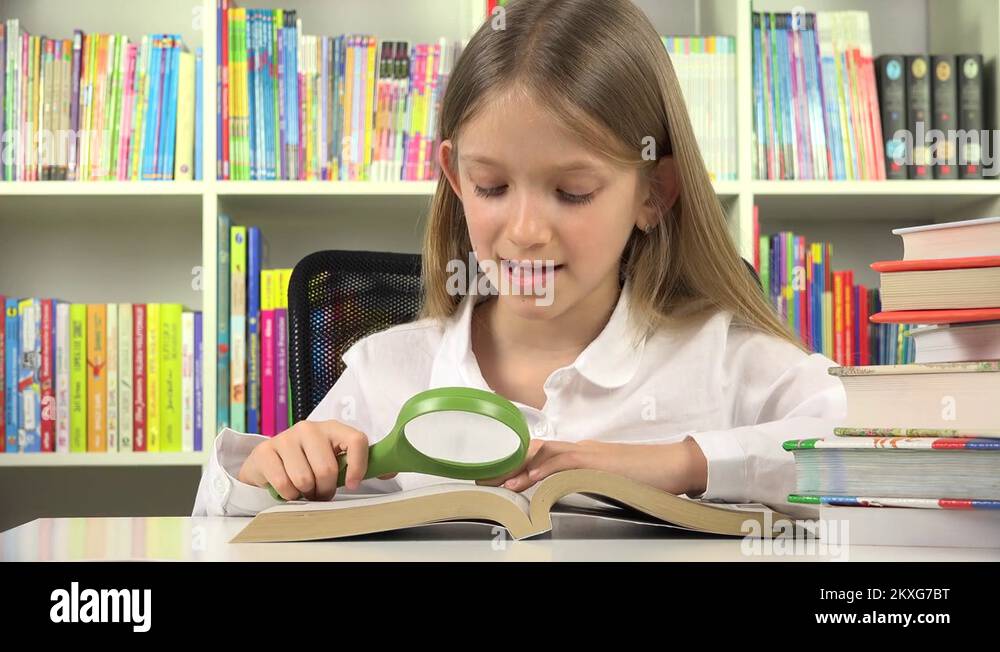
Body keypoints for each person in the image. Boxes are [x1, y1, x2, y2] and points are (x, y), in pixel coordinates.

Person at [193, 0, 845, 518]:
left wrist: (675, 464)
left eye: (573, 192)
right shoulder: (385, 374)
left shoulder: (725, 363)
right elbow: (224, 526)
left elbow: (879, 452)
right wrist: (270, 473)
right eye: (492, 187)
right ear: (453, 175)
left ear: (653, 192)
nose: (526, 231)